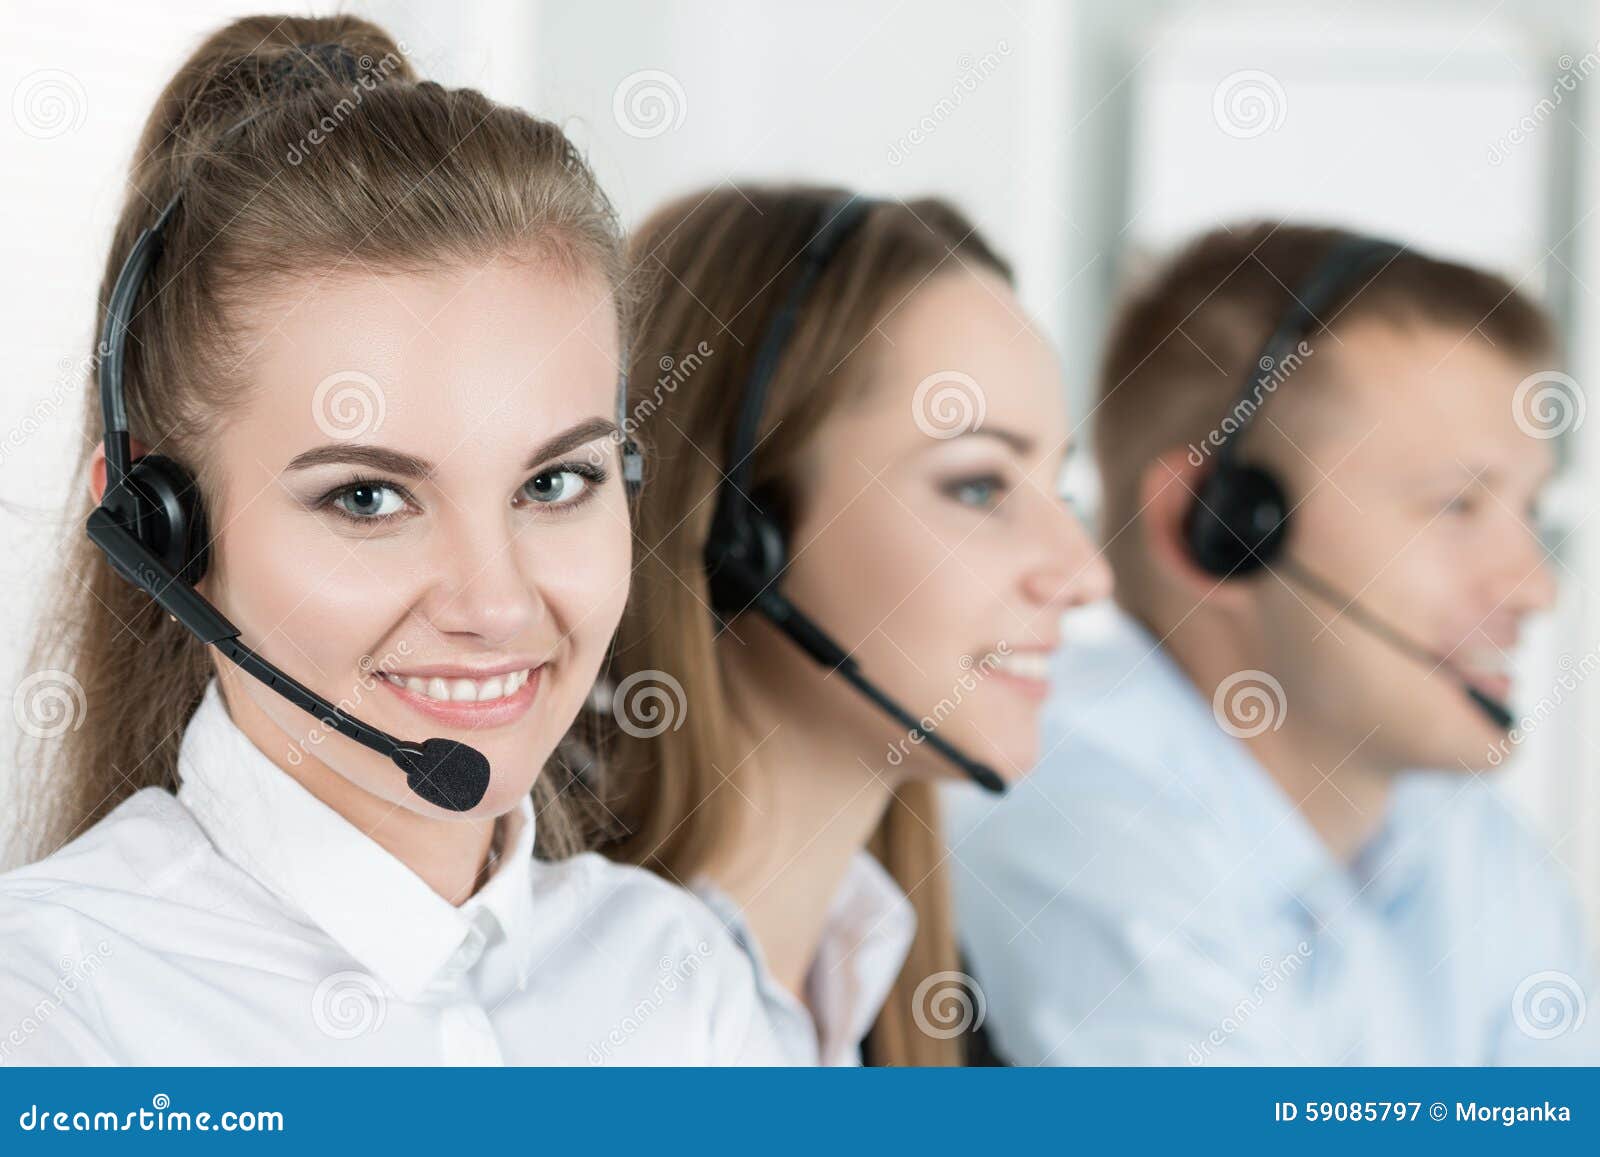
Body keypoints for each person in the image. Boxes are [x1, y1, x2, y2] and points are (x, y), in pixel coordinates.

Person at [0, 14, 781, 1066]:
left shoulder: (682, 980)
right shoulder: (49, 1008)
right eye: (368, 498)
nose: (496, 604)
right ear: (158, 531)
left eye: (555, 481)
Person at [948, 221, 1600, 1065]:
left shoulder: (1461, 836)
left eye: (1530, 510)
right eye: (1456, 506)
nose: (1534, 588)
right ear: (1220, 526)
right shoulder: (1069, 813)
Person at [598, 186, 1110, 1065]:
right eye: (979, 485)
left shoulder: (914, 998)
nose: (1085, 574)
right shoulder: (564, 1012)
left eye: (1059, 488)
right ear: (740, 529)